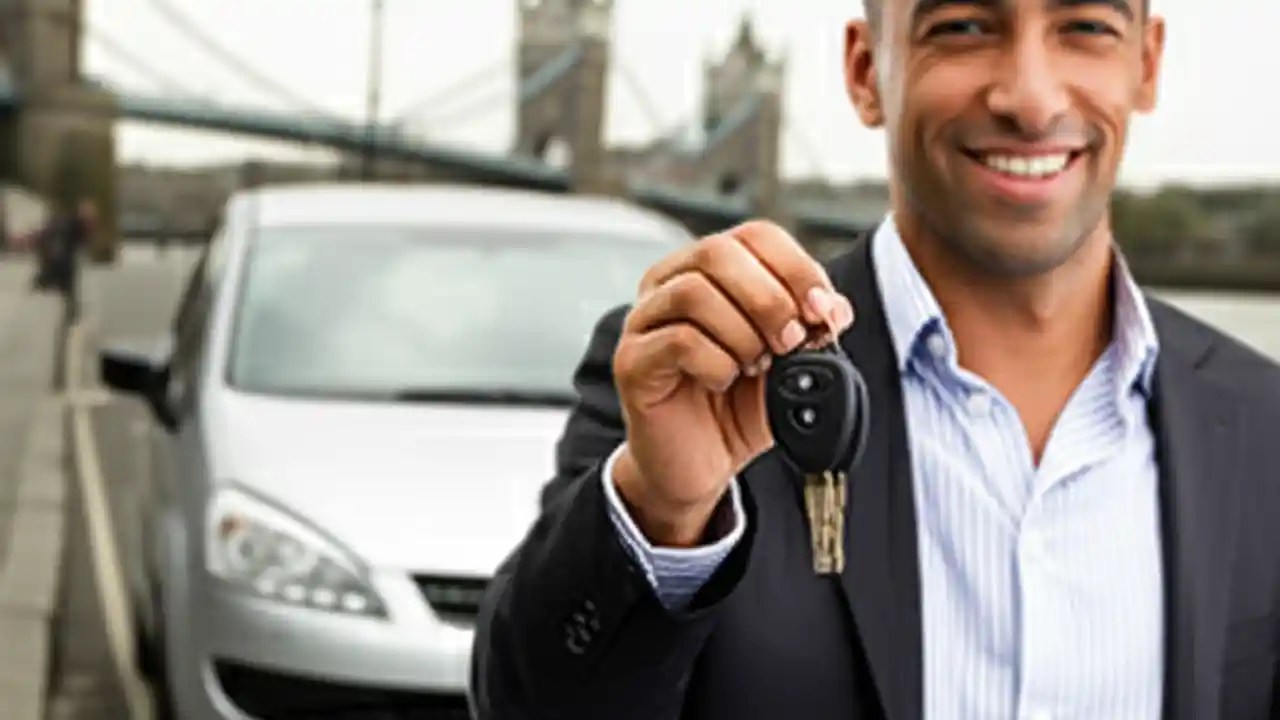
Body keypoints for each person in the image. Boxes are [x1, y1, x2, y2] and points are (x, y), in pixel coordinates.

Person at [471, 0, 1280, 718]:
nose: (1030, 99)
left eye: (1085, 28)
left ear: (1146, 63)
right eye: (963, 26)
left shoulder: (1266, 427)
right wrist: (663, 512)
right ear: (864, 72)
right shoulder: (699, 379)